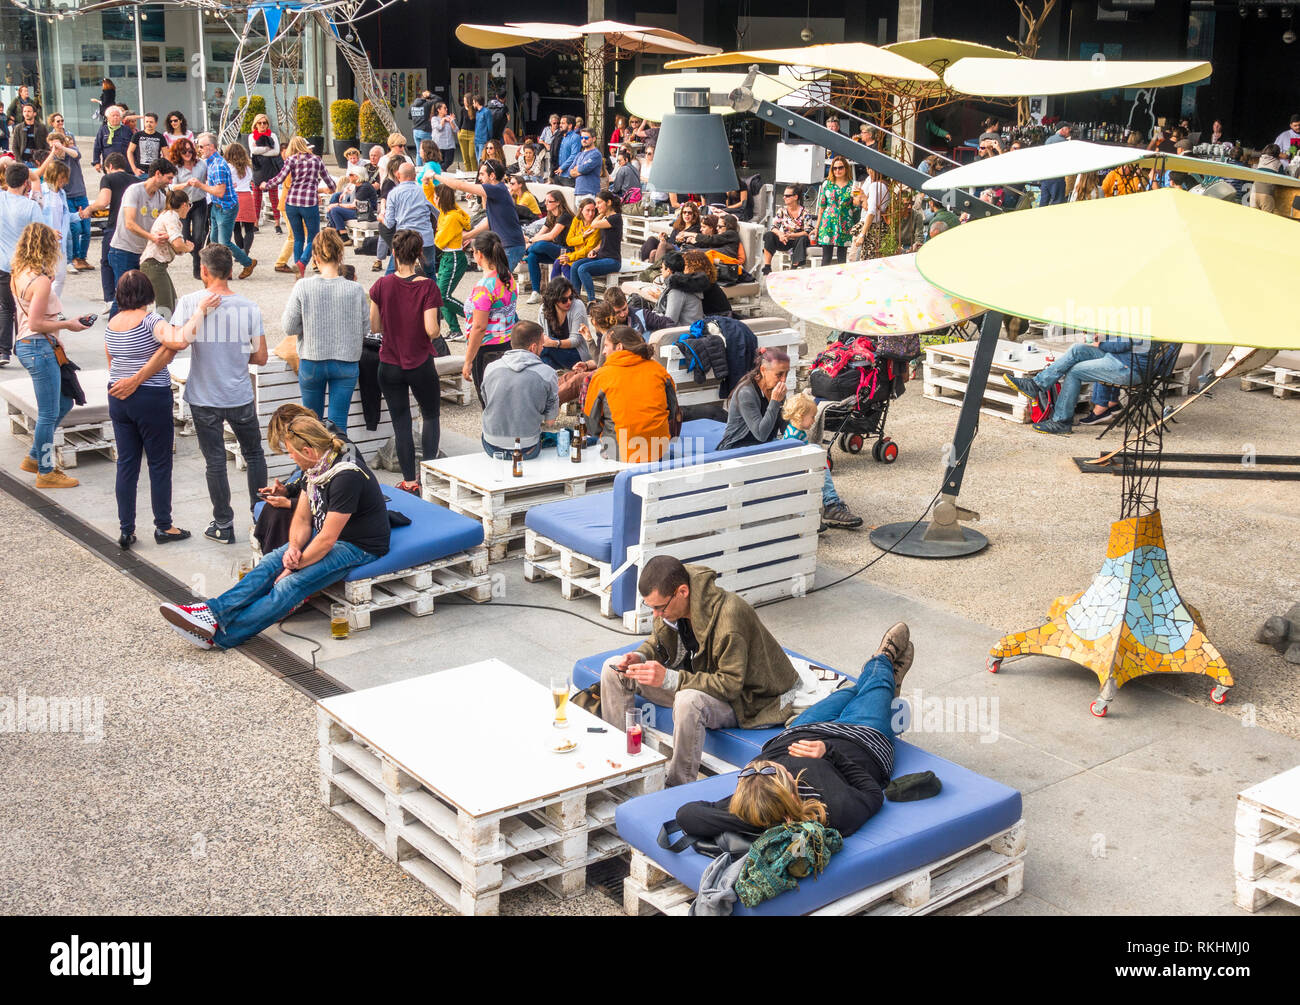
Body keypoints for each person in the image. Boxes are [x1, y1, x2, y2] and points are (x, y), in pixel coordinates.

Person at [160, 414, 390, 651]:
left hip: (358, 545)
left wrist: (294, 566)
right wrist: (293, 548)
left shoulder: (346, 476)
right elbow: (302, 518)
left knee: (289, 585)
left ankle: (221, 635)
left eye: (292, 452)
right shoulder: (315, 468)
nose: (291, 457)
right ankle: (213, 613)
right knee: (271, 561)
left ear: (308, 451)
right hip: (328, 535)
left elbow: (327, 539)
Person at [675, 623, 913, 840]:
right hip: (862, 738)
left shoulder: (755, 801)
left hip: (803, 728)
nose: (754, 770)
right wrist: (829, 752)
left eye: (746, 774)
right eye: (770, 770)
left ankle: (884, 685)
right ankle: (885, 660)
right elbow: (872, 794)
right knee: (876, 682)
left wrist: (751, 822)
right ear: (789, 788)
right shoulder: (834, 810)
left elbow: (686, 814)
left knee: (848, 692)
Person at [601, 556, 801, 787]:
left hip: (748, 700)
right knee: (613, 668)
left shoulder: (729, 618)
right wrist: (641, 656)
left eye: (659, 607)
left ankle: (678, 786)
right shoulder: (673, 604)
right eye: (651, 607)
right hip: (699, 679)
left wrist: (669, 679)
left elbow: (730, 686)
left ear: (682, 592)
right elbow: (659, 642)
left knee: (689, 701)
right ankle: (621, 769)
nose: (655, 614)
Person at [103, 269, 218, 547]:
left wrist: (126, 383)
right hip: (150, 397)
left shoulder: (113, 323)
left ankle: (126, 528)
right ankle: (164, 526)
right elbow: (178, 341)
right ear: (148, 294)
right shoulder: (150, 320)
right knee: (159, 462)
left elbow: (111, 359)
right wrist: (200, 311)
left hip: (118, 396)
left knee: (127, 464)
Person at [175, 244, 269, 542]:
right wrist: (238, 356)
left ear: (204, 271)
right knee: (254, 454)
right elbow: (261, 356)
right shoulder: (249, 307)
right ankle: (261, 518)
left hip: (204, 396)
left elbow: (180, 341)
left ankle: (223, 523)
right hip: (239, 393)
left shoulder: (190, 302)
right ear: (230, 271)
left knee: (214, 461)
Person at [8, 221, 88, 486]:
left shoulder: (19, 272)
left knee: (64, 403)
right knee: (48, 413)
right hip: (38, 346)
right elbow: (36, 323)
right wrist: (68, 324)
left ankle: (34, 457)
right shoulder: (40, 282)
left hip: (32, 345)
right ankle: (45, 471)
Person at [368, 229, 444, 492]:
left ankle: (409, 479)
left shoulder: (381, 285)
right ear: (419, 254)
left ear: (393, 253)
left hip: (389, 362)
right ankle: (430, 478)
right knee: (430, 415)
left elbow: (375, 326)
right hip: (419, 361)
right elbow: (431, 330)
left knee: (401, 422)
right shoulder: (427, 287)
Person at [280, 228, 369, 433]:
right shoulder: (355, 289)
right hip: (346, 361)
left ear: (315, 257)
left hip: (312, 359)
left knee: (311, 425)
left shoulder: (303, 286)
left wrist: (309, 325)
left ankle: (313, 464)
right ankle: (338, 463)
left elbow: (289, 326)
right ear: (340, 255)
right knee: (338, 425)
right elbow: (365, 328)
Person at [1003, 333, 1152, 435]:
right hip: (1121, 358)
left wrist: (1101, 342)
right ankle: (1036, 385)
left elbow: (1123, 344)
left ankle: (1061, 421)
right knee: (1077, 349)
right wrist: (1104, 338)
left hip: (1129, 368)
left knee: (1075, 371)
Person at [583, 325, 678, 462]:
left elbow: (592, 424)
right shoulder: (659, 370)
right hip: (658, 450)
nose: (603, 351)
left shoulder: (602, 376)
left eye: (606, 346)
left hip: (620, 453)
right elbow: (673, 410)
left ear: (619, 347)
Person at [104, 157, 177, 318]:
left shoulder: (161, 198)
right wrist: (151, 237)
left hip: (143, 254)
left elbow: (163, 223)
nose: (170, 182)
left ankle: (132, 334)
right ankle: (113, 333)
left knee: (139, 298)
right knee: (123, 297)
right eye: (169, 177)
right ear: (158, 174)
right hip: (123, 250)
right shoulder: (134, 190)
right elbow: (129, 223)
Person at [780, 390, 862, 530]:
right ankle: (829, 506)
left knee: (818, 458)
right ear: (800, 416)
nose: (814, 420)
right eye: (812, 417)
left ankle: (829, 505)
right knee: (819, 462)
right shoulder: (794, 439)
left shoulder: (793, 431)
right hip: (797, 475)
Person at [481, 320, 559, 460]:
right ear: (533, 347)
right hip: (527, 448)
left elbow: (488, 403)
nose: (543, 348)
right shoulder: (548, 373)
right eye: (542, 345)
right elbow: (550, 421)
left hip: (491, 445)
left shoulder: (491, 368)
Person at [188, 132, 257, 280]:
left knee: (224, 242)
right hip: (217, 206)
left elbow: (219, 191)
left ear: (211, 147)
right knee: (214, 241)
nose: (198, 149)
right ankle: (223, 270)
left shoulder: (218, 165)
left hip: (226, 207)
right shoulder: (212, 162)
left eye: (200, 146)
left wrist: (200, 185)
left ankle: (248, 263)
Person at [265, 135, 335, 277]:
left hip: (291, 203)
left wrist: (265, 185)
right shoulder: (316, 160)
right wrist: (333, 188)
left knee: (298, 238)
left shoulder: (291, 160)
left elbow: (279, 178)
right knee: (313, 237)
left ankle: (299, 272)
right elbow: (329, 180)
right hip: (308, 203)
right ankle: (302, 263)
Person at [439, 157, 527, 271]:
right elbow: (489, 223)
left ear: (492, 176)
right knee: (498, 283)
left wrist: (435, 176)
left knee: (499, 283)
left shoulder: (496, 189)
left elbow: (460, 185)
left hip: (511, 246)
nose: (479, 178)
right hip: (507, 246)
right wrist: (467, 236)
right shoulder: (496, 191)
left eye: (482, 174)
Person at [461, 231, 517, 405]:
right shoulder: (507, 277)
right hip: (507, 343)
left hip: (486, 349)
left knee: (490, 404)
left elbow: (479, 327)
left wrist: (468, 360)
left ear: (480, 254)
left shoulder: (484, 287)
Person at [718, 348, 790, 450]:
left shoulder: (777, 390)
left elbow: (784, 424)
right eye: (779, 375)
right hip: (736, 448)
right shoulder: (746, 393)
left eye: (786, 374)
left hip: (764, 446)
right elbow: (761, 435)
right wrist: (775, 402)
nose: (784, 380)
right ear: (763, 370)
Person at [137, 188, 192, 315]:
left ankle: (167, 331)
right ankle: (163, 333)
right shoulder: (171, 216)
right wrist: (188, 248)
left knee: (172, 303)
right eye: (189, 205)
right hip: (153, 264)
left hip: (157, 265)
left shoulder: (170, 216)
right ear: (184, 205)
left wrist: (182, 247)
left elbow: (176, 247)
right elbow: (178, 245)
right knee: (165, 308)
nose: (189, 208)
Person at [379, 161, 438, 277]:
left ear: (398, 175)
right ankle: (435, 294)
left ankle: (383, 293)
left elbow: (389, 223)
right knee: (430, 270)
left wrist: (381, 218)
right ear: (415, 176)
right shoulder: (423, 191)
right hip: (425, 236)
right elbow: (437, 212)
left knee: (392, 270)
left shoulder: (393, 193)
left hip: (404, 238)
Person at [47, 128, 91, 273]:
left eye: (57, 144)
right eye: (52, 145)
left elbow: (76, 154)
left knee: (86, 229)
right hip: (67, 196)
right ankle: (74, 259)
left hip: (80, 193)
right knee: (74, 229)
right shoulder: (52, 159)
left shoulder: (71, 151)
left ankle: (82, 258)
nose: (56, 148)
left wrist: (62, 147)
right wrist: (53, 152)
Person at [430, 183, 471, 337]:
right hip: (448, 257)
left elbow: (439, 242)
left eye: (436, 197)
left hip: (453, 257)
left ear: (442, 199)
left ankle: (471, 315)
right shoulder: (446, 212)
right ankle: (455, 330)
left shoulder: (451, 217)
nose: (433, 199)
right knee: (441, 295)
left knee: (442, 295)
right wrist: (428, 183)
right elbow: (429, 195)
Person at [569, 189, 622, 301]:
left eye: (599, 203)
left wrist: (602, 213)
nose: (597, 206)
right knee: (575, 266)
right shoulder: (606, 218)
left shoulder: (616, 218)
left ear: (608, 202)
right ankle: (575, 299)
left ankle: (591, 301)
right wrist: (594, 250)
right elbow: (603, 242)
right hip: (601, 256)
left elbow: (593, 224)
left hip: (612, 260)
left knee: (583, 269)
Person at [166, 138, 208, 281]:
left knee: (198, 236)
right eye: (184, 151)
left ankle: (197, 266)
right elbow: (171, 187)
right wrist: (185, 184)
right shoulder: (175, 167)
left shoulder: (201, 165)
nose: (188, 153)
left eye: (190, 150)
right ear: (179, 152)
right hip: (182, 205)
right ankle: (197, 254)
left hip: (199, 203)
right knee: (184, 236)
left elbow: (209, 179)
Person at [524, 190, 575, 303]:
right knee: (533, 256)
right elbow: (540, 234)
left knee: (541, 245)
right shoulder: (551, 215)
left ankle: (525, 253)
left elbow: (552, 235)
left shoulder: (565, 216)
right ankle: (536, 292)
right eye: (545, 201)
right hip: (556, 250)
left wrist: (531, 241)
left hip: (568, 251)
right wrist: (530, 244)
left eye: (548, 201)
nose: (545, 204)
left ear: (557, 203)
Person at [34, 159, 71, 298]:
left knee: (60, 276)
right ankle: (43, 306)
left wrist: (80, 215)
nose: (64, 181)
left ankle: (53, 306)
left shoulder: (62, 193)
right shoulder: (40, 192)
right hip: (44, 242)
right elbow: (35, 216)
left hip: (60, 242)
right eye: (62, 177)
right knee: (44, 277)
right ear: (54, 175)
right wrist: (48, 231)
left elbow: (65, 216)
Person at [537, 276, 591, 370]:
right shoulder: (543, 309)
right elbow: (542, 335)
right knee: (542, 348)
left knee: (544, 348)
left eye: (571, 297)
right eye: (564, 300)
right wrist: (547, 342)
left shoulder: (577, 306)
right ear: (554, 299)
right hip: (553, 352)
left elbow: (576, 340)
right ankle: (552, 372)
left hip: (576, 355)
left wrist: (555, 343)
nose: (569, 302)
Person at [814, 156, 855, 265]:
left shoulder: (853, 185)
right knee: (826, 258)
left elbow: (856, 205)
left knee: (842, 258)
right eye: (834, 168)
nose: (837, 170)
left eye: (840, 168)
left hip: (845, 222)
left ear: (846, 168)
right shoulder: (827, 184)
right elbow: (822, 207)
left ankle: (841, 280)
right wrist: (817, 227)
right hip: (828, 223)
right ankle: (823, 280)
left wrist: (859, 196)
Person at [762, 185, 811, 273]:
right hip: (785, 240)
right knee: (769, 235)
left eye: (787, 196)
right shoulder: (782, 211)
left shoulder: (805, 212)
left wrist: (791, 235)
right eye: (784, 195)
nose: (784, 197)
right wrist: (780, 235)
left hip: (798, 240)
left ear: (795, 197)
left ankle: (794, 266)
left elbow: (807, 232)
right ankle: (767, 266)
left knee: (803, 238)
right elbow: (773, 227)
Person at [248, 112, 283, 234]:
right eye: (260, 123)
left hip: (271, 168)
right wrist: (268, 149)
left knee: (274, 197)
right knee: (256, 198)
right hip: (258, 169)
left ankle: (277, 223)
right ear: (255, 125)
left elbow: (276, 151)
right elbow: (253, 150)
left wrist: (261, 151)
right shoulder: (251, 136)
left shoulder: (272, 135)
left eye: (265, 123)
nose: (262, 125)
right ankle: (255, 223)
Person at [653, 251, 707, 326]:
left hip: (683, 332)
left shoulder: (676, 290)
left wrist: (650, 318)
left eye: (662, 267)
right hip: (692, 328)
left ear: (668, 270)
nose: (661, 270)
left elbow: (669, 322)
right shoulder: (687, 284)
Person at [553, 197, 600, 283]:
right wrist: (583, 236)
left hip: (587, 256)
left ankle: (572, 292)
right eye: (588, 210)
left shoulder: (595, 226)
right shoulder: (576, 220)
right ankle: (553, 292)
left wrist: (570, 257)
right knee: (558, 262)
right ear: (581, 210)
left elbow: (587, 250)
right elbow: (569, 241)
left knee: (563, 263)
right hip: (576, 254)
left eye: (593, 210)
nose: (590, 214)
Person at [225, 141, 257, 255]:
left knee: (236, 228)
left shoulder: (228, 167)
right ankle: (246, 251)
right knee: (249, 229)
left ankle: (240, 251)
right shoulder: (248, 167)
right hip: (247, 196)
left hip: (234, 197)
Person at [851, 168, 889, 261]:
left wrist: (862, 235)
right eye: (868, 168)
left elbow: (871, 211)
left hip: (869, 226)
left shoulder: (875, 185)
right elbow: (856, 200)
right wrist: (858, 195)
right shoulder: (883, 184)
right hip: (879, 226)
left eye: (871, 169)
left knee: (858, 259)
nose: (869, 171)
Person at [1038, 122, 1072, 207]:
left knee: (1043, 202)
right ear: (1062, 130)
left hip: (1045, 177)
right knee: (1058, 203)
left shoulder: (1048, 139)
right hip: (1056, 176)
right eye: (1068, 129)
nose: (1069, 131)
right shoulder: (1064, 142)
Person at [92, 105, 132, 172]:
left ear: (121, 117)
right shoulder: (103, 130)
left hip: (126, 166)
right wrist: (96, 162)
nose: (115, 117)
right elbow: (97, 147)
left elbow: (133, 147)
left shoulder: (127, 130)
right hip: (109, 166)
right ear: (107, 118)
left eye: (117, 115)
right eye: (113, 116)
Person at [567, 127, 605, 198]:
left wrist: (578, 169)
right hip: (578, 192)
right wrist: (580, 170)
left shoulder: (596, 154)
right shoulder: (579, 154)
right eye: (582, 138)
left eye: (586, 138)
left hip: (590, 192)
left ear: (594, 139)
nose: (583, 140)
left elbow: (584, 169)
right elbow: (569, 171)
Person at [127, 113, 165, 177]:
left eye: (151, 122)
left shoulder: (160, 137)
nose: (148, 124)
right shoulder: (137, 135)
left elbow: (166, 155)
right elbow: (129, 152)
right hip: (140, 172)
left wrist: (163, 170)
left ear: (156, 123)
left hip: (156, 173)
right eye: (146, 122)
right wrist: (134, 169)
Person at [10, 103, 48, 167]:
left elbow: (46, 144)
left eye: (29, 111)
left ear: (34, 113)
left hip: (38, 162)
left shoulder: (42, 127)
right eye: (24, 111)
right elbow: (15, 146)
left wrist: (43, 159)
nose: (26, 113)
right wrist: (19, 161)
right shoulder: (18, 128)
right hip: (23, 162)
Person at [430, 100, 459, 170]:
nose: (447, 109)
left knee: (449, 161)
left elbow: (456, 130)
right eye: (444, 108)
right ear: (439, 110)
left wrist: (451, 121)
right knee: (439, 161)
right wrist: (443, 120)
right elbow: (439, 128)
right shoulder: (434, 119)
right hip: (439, 144)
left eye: (446, 108)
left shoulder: (449, 117)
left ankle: (440, 170)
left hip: (449, 144)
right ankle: (442, 172)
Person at [554, 115, 582, 187]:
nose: (560, 125)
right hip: (558, 173)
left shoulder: (575, 137)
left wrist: (562, 167)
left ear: (570, 126)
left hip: (568, 175)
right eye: (560, 123)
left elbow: (574, 155)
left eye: (563, 123)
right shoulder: (561, 137)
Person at [410, 89, 435, 165]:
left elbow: (409, 116)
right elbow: (438, 99)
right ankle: (428, 167)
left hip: (415, 130)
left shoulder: (412, 105)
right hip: (425, 130)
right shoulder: (427, 105)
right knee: (428, 150)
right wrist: (430, 95)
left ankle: (419, 168)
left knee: (418, 151)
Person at [457, 93, 478, 172]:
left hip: (472, 134)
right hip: (463, 132)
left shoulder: (474, 109)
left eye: (465, 100)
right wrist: (459, 131)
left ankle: (475, 173)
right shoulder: (462, 110)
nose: (464, 102)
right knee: (465, 156)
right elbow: (461, 121)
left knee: (472, 155)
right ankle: (468, 173)